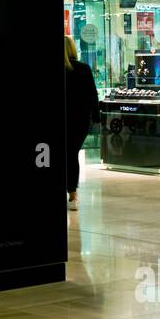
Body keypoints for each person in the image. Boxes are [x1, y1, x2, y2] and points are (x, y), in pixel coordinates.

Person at [63, 36, 99, 212]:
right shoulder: (83, 69)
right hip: (80, 121)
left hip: (63, 119)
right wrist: (96, 118)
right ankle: (73, 195)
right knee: (72, 155)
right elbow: (93, 95)